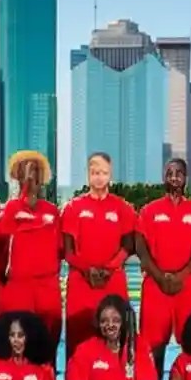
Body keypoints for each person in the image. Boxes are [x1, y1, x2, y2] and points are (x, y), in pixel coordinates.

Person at [135, 158, 191, 380]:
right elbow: (140, 247)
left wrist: (182, 275)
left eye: (179, 173)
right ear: (163, 177)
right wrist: (159, 276)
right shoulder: (149, 211)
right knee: (153, 348)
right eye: (169, 173)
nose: (174, 177)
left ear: (186, 179)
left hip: (189, 287)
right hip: (156, 288)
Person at [61, 152, 136, 366]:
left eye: (103, 172)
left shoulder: (122, 208)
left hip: (112, 281)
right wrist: (87, 270)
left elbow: (129, 245)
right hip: (81, 283)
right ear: (88, 175)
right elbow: (68, 250)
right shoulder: (73, 207)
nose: (99, 177)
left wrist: (110, 268)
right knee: (78, 339)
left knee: (117, 339)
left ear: (110, 174)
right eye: (94, 172)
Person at [0, 151, 63, 353]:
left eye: (34, 170)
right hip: (19, 286)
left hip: (47, 286)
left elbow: (60, 249)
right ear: (17, 175)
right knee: (15, 343)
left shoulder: (52, 211)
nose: (30, 177)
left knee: (49, 342)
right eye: (25, 171)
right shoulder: (10, 209)